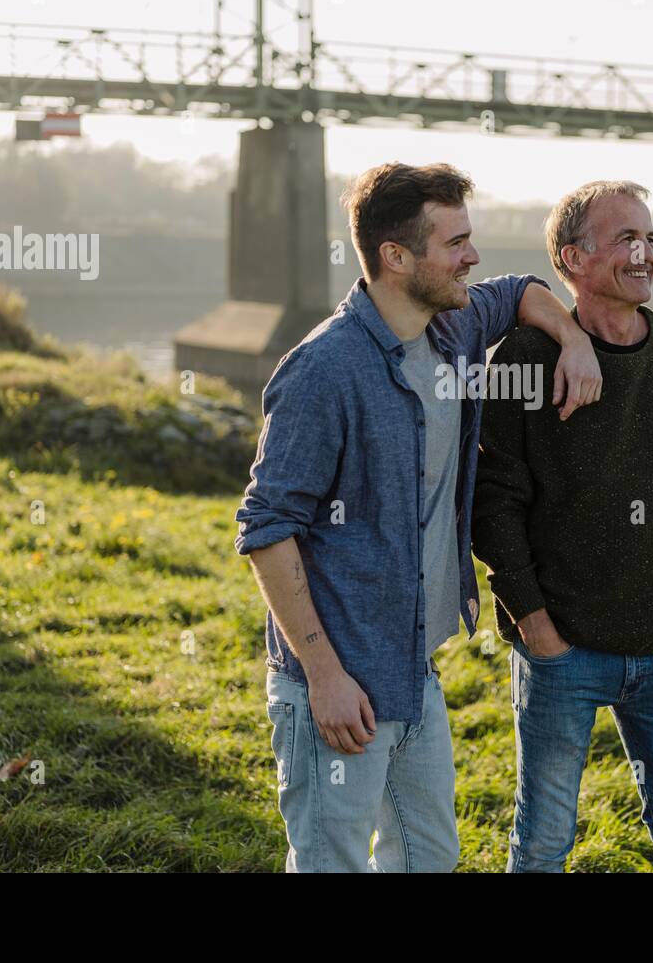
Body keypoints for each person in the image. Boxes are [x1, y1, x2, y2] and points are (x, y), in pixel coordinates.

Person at [235, 162, 602, 872]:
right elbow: (267, 528)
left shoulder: (453, 326)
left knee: (429, 856)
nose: (471, 256)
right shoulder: (323, 370)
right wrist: (323, 674)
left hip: (412, 668)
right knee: (330, 861)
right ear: (396, 258)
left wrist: (575, 337)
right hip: (337, 679)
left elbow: (522, 290)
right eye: (456, 242)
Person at [473, 179, 653, 873]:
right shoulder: (526, 362)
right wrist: (535, 624)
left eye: (650, 237)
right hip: (561, 651)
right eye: (626, 238)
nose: (645, 252)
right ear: (572, 258)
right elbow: (492, 503)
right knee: (542, 842)